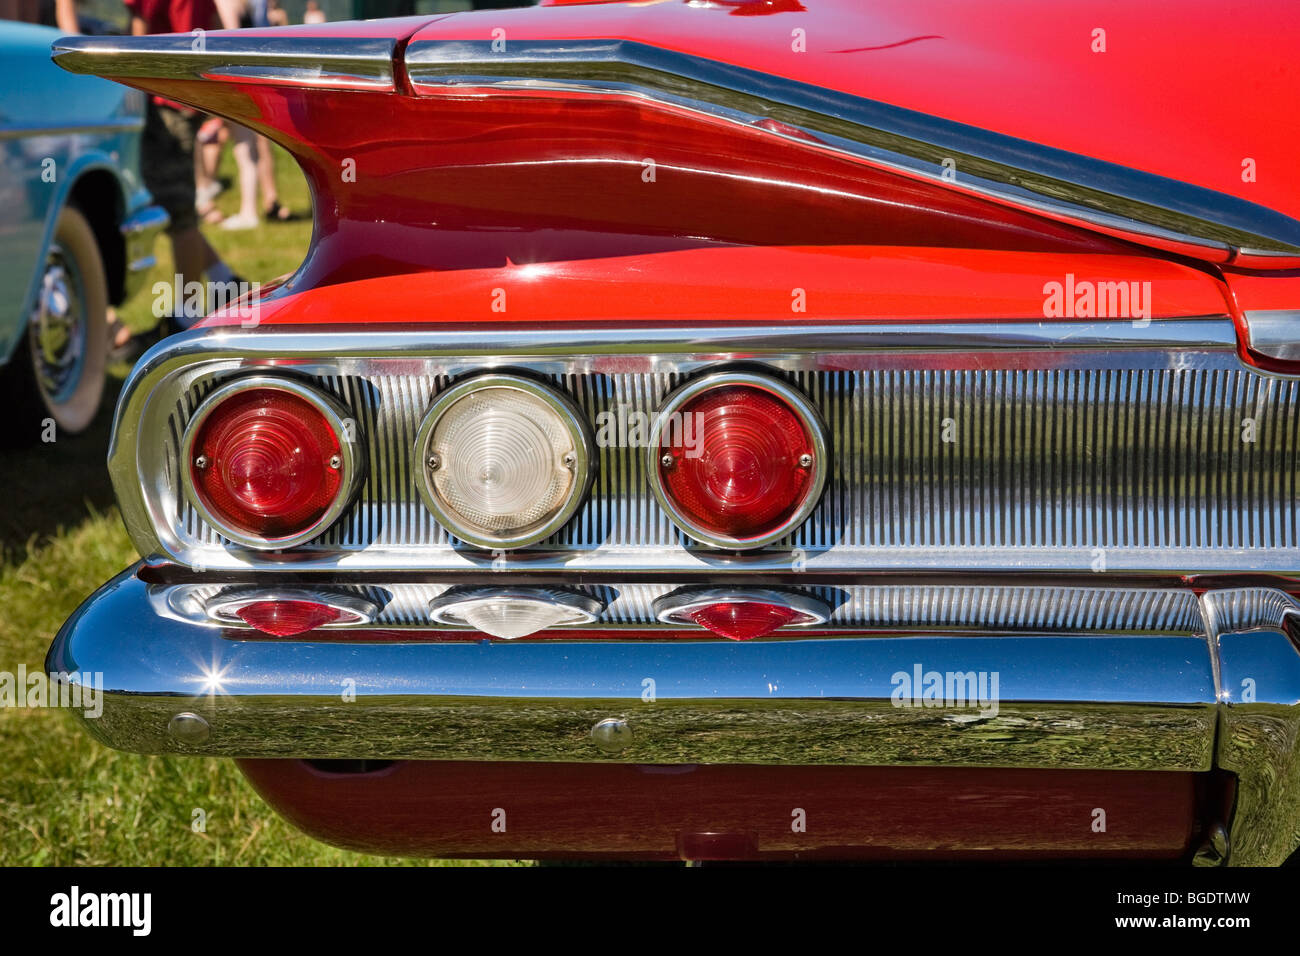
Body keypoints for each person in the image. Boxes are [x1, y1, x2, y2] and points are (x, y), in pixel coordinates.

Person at [125, 0, 242, 329]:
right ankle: (224, 282)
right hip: (182, 92)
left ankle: (187, 317)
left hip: (163, 97)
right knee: (169, 207)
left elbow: (139, 31)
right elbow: (216, 23)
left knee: (177, 215)